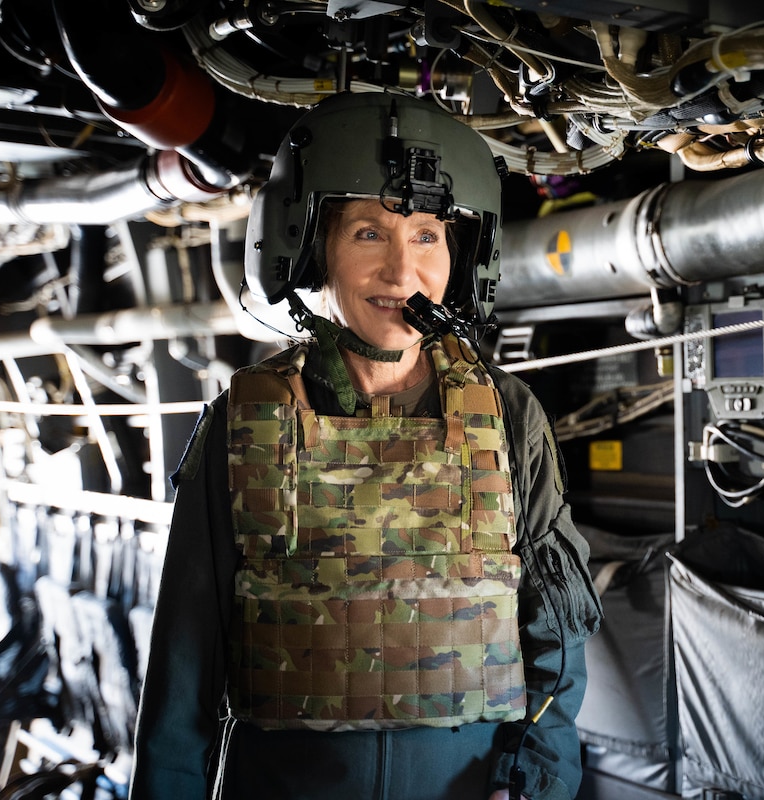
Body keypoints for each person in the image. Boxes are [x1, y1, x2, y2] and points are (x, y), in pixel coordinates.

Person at [129, 91, 602, 800]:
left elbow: (557, 643)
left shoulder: (506, 414)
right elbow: (184, 664)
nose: (401, 274)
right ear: (313, 245)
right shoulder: (247, 418)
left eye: (426, 236)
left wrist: (539, 786)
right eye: (369, 234)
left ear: (461, 255)